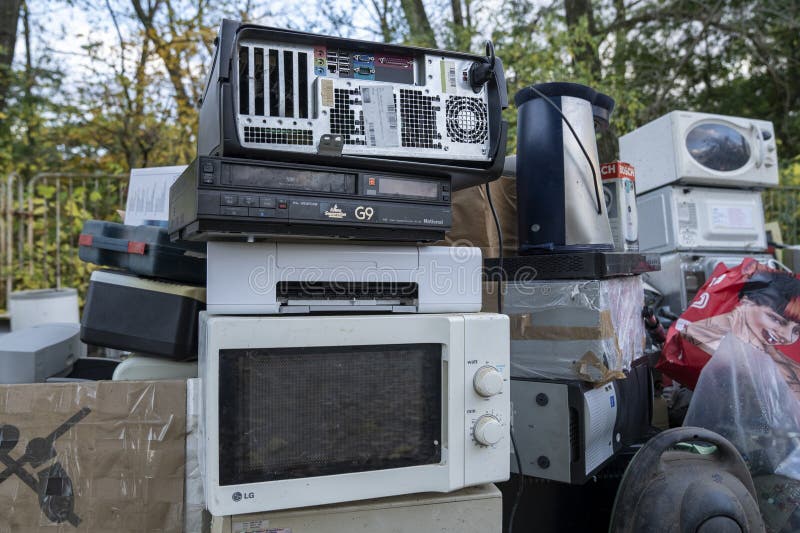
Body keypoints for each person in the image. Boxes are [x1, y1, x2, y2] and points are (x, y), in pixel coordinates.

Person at [680, 263, 800, 396]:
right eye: (776, 319)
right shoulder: (700, 335)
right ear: (747, 300)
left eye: (796, 331)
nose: (787, 336)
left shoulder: (766, 348)